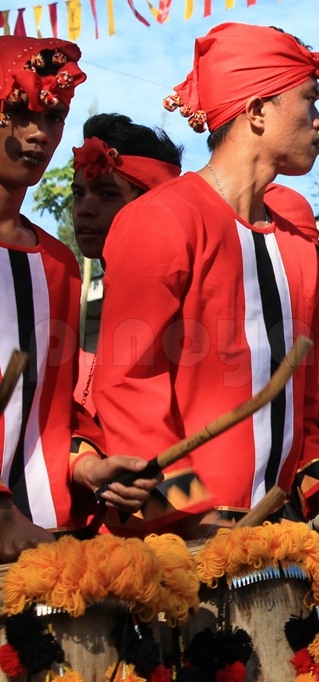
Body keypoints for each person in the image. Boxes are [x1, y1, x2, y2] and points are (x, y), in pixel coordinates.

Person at [93, 23, 319, 537]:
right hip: (179, 551)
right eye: (310, 100)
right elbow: (130, 390)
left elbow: (303, 402)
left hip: (275, 541)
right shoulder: (162, 218)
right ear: (256, 111)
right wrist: (195, 519)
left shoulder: (295, 233)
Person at [0, 37, 157, 560]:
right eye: (18, 112)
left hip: (57, 546)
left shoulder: (59, 266)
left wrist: (87, 467)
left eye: (53, 117)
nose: (36, 134)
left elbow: (53, 416)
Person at [70, 113, 183, 414]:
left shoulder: (186, 295)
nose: (84, 209)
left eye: (107, 194)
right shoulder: (61, 276)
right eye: (78, 194)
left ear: (151, 204)